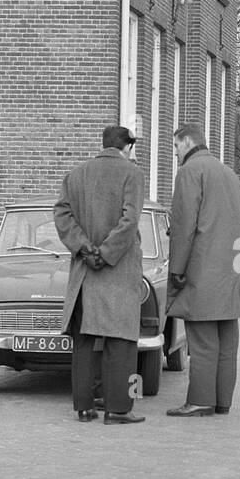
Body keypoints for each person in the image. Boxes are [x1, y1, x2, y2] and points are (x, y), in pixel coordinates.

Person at [54, 126, 146, 425]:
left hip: (84, 273)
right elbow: (130, 220)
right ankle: (118, 410)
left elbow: (62, 215)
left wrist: (85, 249)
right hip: (118, 271)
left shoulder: (76, 174)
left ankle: (84, 408)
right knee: (121, 342)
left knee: (83, 343)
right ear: (128, 147)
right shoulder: (132, 173)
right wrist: (105, 253)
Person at [165, 124, 240, 417]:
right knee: (227, 342)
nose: (175, 153)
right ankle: (222, 401)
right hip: (233, 273)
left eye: (176, 146)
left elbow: (183, 226)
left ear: (187, 142)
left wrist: (177, 269)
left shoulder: (190, 172)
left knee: (201, 342)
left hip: (204, 272)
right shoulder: (229, 174)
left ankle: (200, 401)